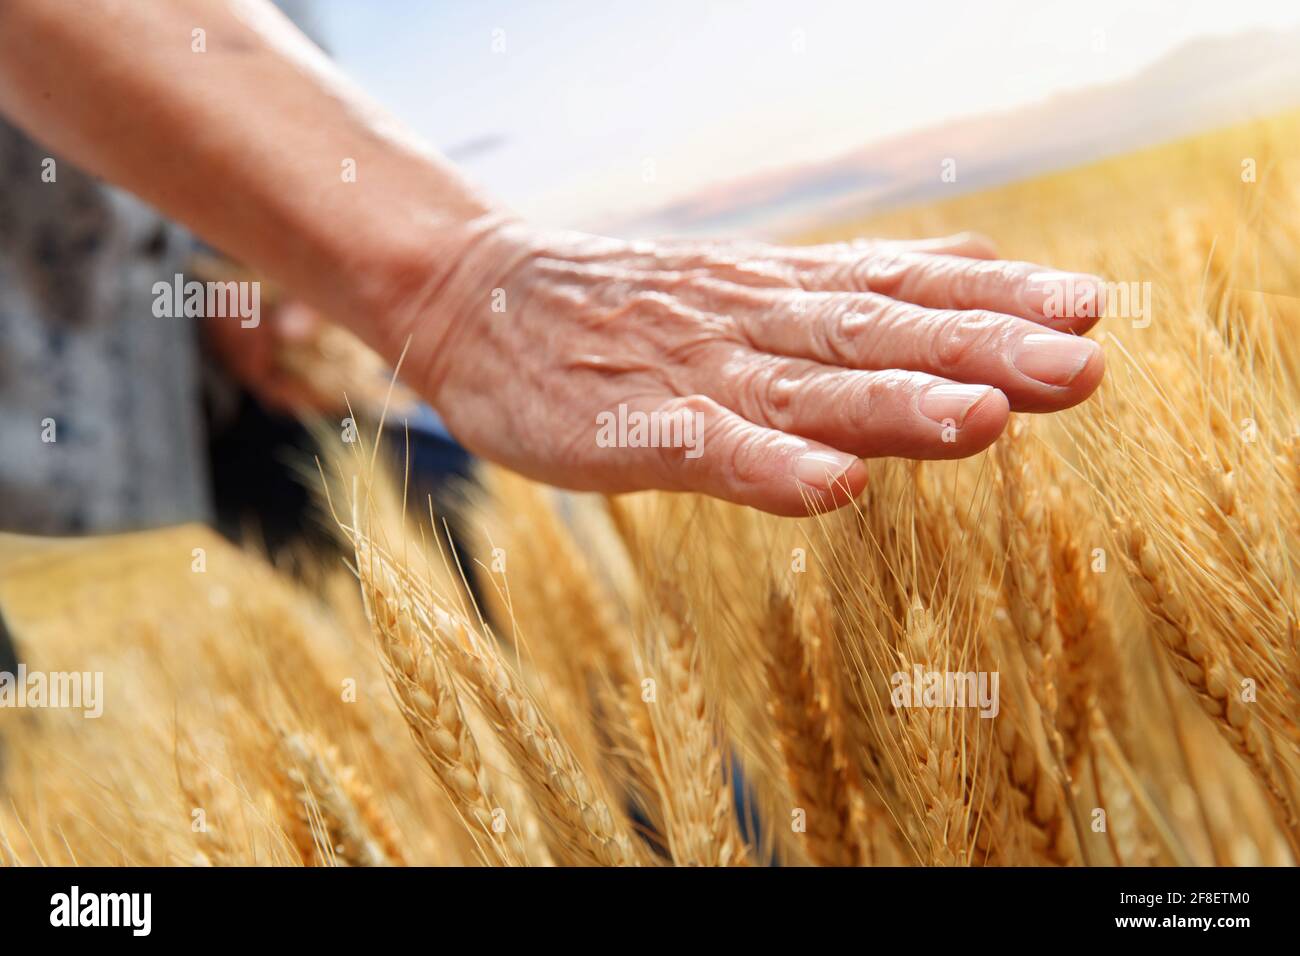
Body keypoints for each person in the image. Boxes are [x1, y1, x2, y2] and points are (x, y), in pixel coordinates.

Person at [0, 0, 1105, 520]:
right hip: (106, 408)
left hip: (273, 364)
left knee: (535, 650)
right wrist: (450, 273)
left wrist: (242, 241)